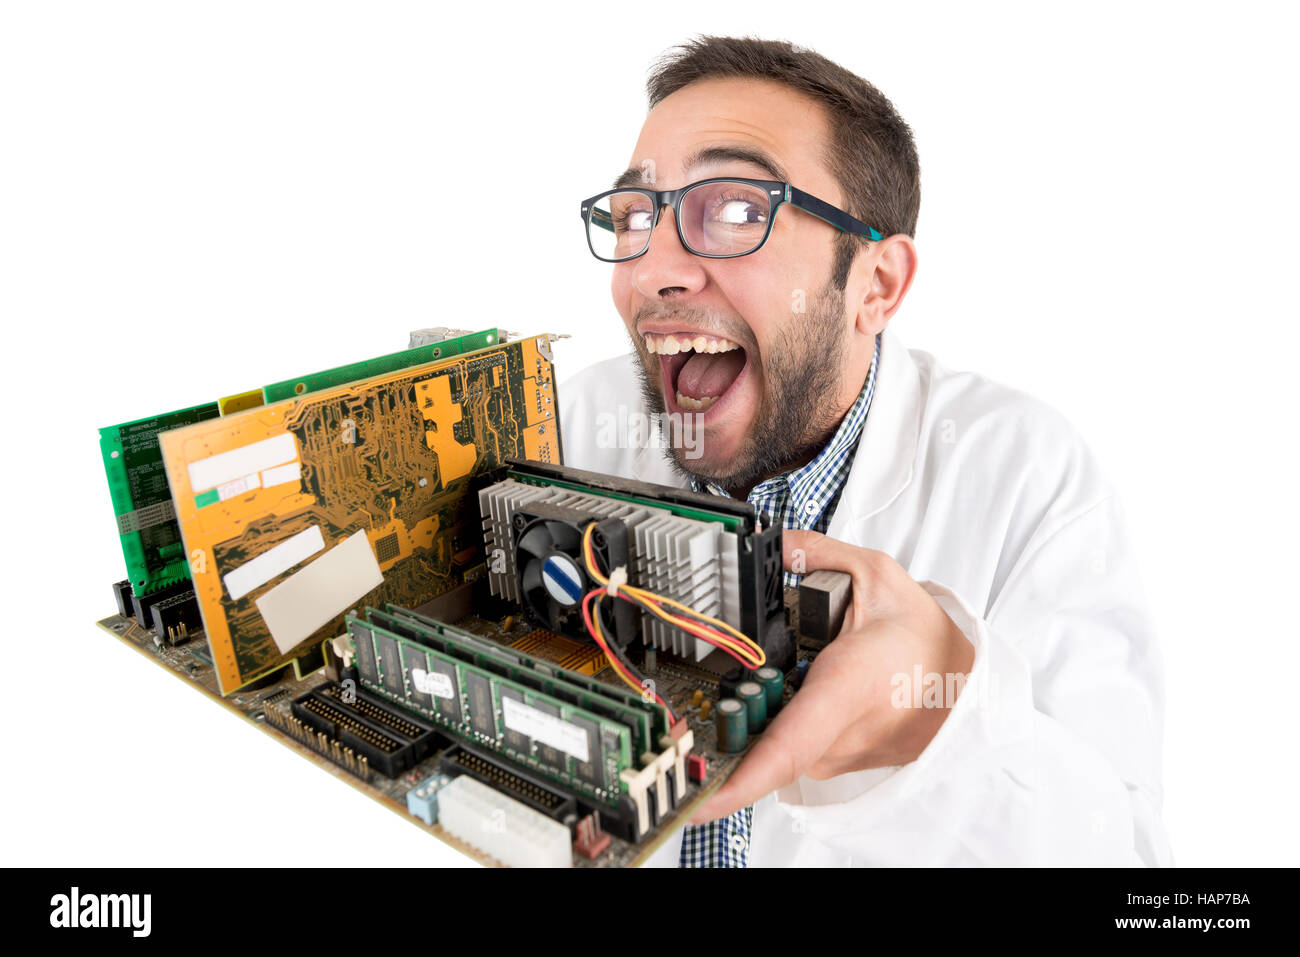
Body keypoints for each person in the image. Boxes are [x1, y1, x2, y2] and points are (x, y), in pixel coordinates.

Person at [560, 35, 1170, 867]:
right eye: (637, 215)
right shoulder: (566, 426)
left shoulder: (1026, 474)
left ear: (876, 284)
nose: (653, 270)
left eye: (736, 209)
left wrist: (935, 725)